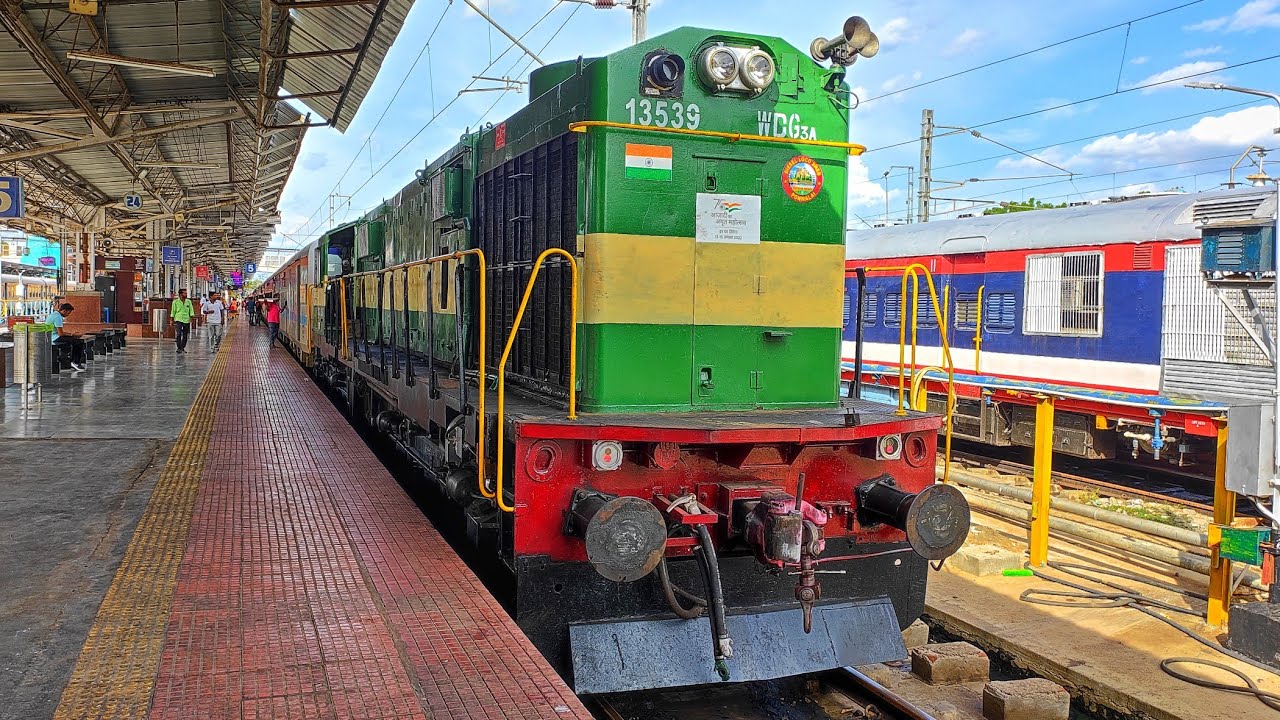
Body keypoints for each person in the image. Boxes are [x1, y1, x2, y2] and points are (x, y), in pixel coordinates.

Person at [43, 303, 86, 371]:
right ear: (64, 311)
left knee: (72, 341)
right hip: (54, 337)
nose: (68, 315)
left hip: (51, 336)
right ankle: (76, 362)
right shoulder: (57, 317)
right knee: (78, 342)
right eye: (68, 313)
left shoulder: (54, 314)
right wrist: (73, 334)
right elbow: (61, 334)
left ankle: (67, 361)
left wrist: (71, 335)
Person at [170, 288, 195, 353]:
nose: (186, 294)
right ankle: (179, 348)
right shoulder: (175, 302)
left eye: (186, 293)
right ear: (181, 294)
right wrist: (171, 320)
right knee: (178, 334)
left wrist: (191, 318)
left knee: (185, 335)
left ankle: (182, 347)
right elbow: (173, 311)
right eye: (185, 293)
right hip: (178, 319)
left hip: (186, 319)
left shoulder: (188, 301)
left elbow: (191, 310)